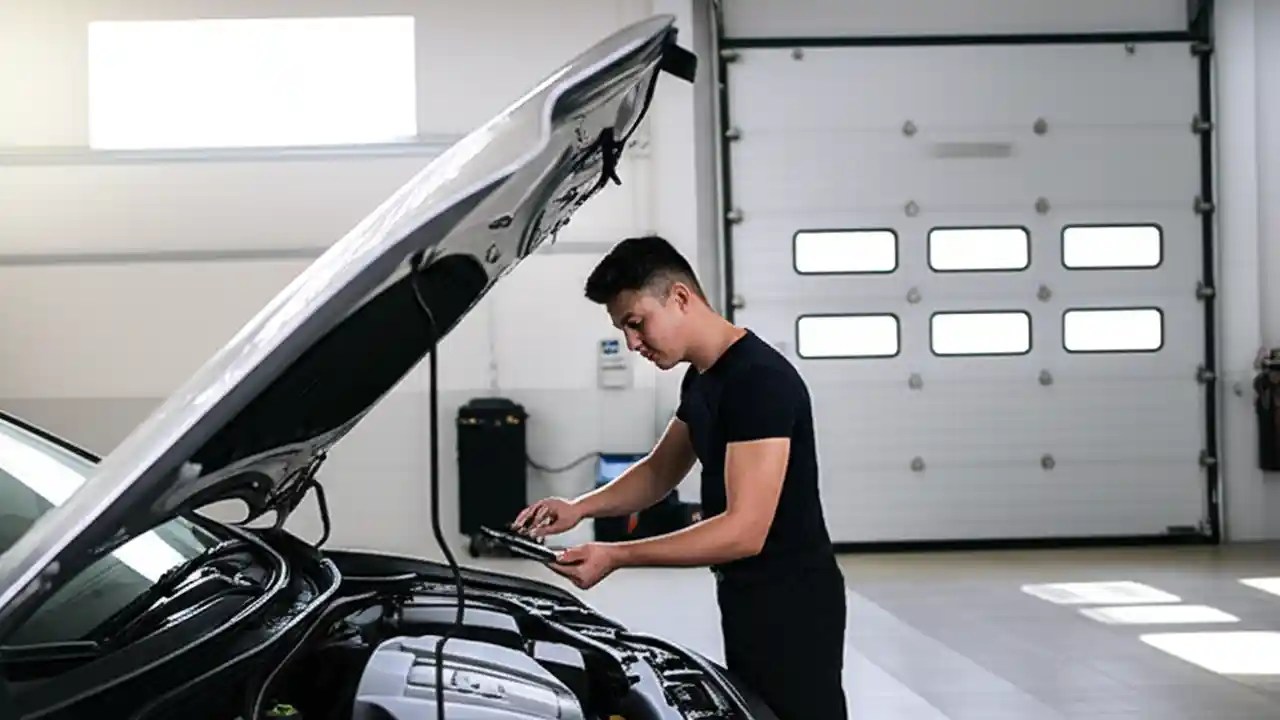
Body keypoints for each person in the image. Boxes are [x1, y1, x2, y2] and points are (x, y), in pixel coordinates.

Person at [512, 235, 848, 719]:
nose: (631, 343)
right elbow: (658, 472)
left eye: (636, 323)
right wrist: (578, 507)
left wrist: (616, 555)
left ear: (680, 298)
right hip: (748, 596)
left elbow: (744, 531)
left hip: (793, 604)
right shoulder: (705, 377)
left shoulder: (759, 382)